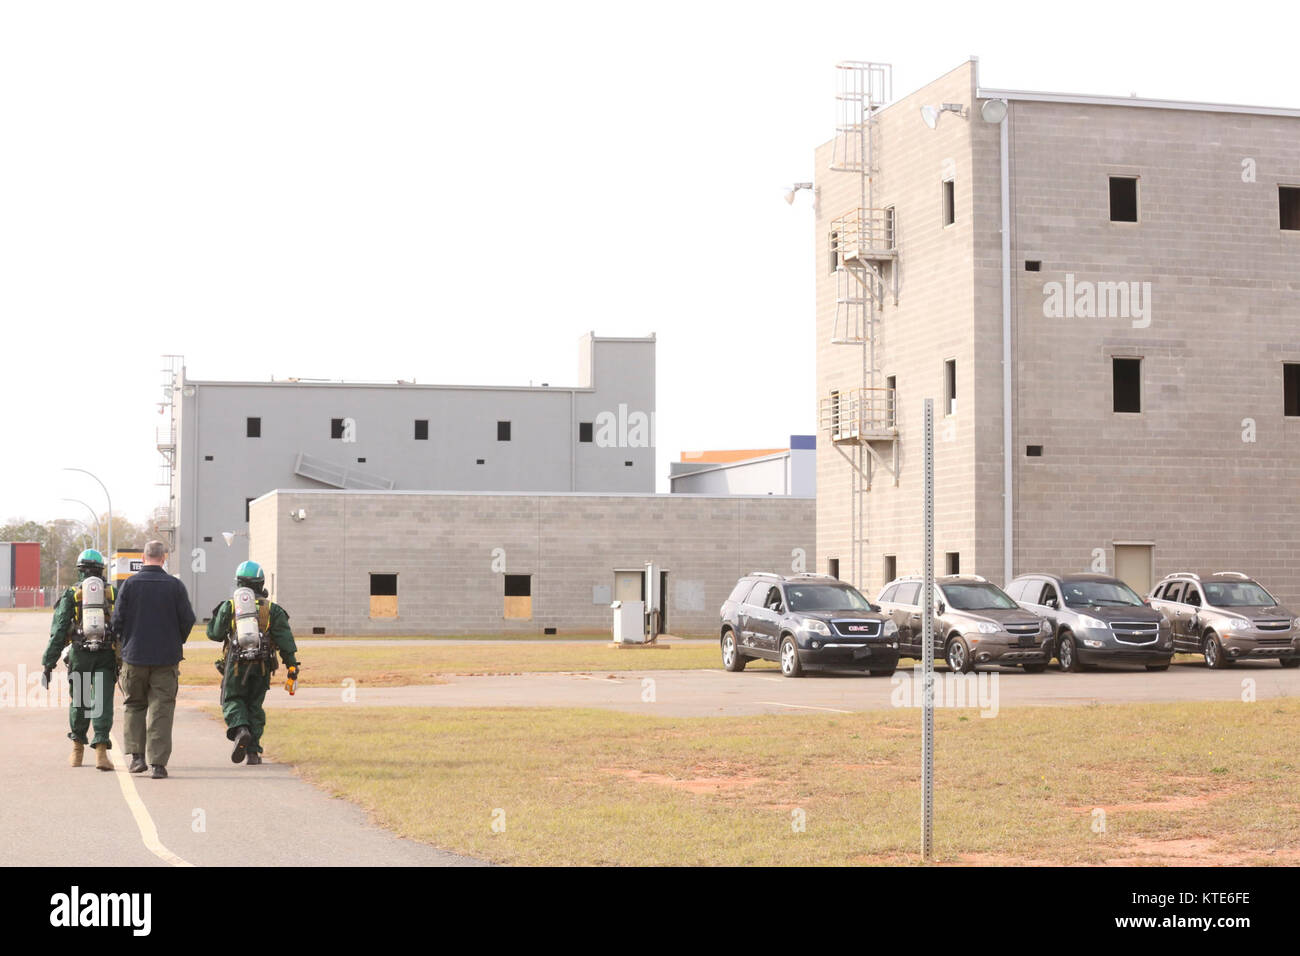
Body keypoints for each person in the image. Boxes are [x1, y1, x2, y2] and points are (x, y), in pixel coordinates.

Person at [112, 540, 195, 779]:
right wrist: (176, 639)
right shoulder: (175, 586)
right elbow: (187, 619)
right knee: (162, 708)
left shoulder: (129, 585)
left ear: (143, 557)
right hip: (166, 658)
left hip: (134, 657)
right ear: (164, 558)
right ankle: (158, 764)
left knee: (134, 705)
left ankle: (137, 758)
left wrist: (126, 642)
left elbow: (117, 621)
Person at [206, 560, 299, 765]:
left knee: (232, 700)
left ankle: (241, 730)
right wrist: (292, 666)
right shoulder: (272, 609)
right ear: (261, 582)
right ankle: (253, 753)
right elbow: (286, 642)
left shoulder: (230, 606)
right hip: (263, 665)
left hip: (236, 664)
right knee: (255, 705)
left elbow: (214, 634)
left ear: (238, 583)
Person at [40, 549, 119, 770]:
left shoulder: (72, 594)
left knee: (80, 701)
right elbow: (124, 626)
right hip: (105, 654)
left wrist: (48, 663)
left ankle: (77, 751)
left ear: (80, 569)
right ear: (101, 569)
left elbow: (58, 632)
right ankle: (101, 753)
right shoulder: (113, 593)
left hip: (80, 654)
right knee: (102, 701)